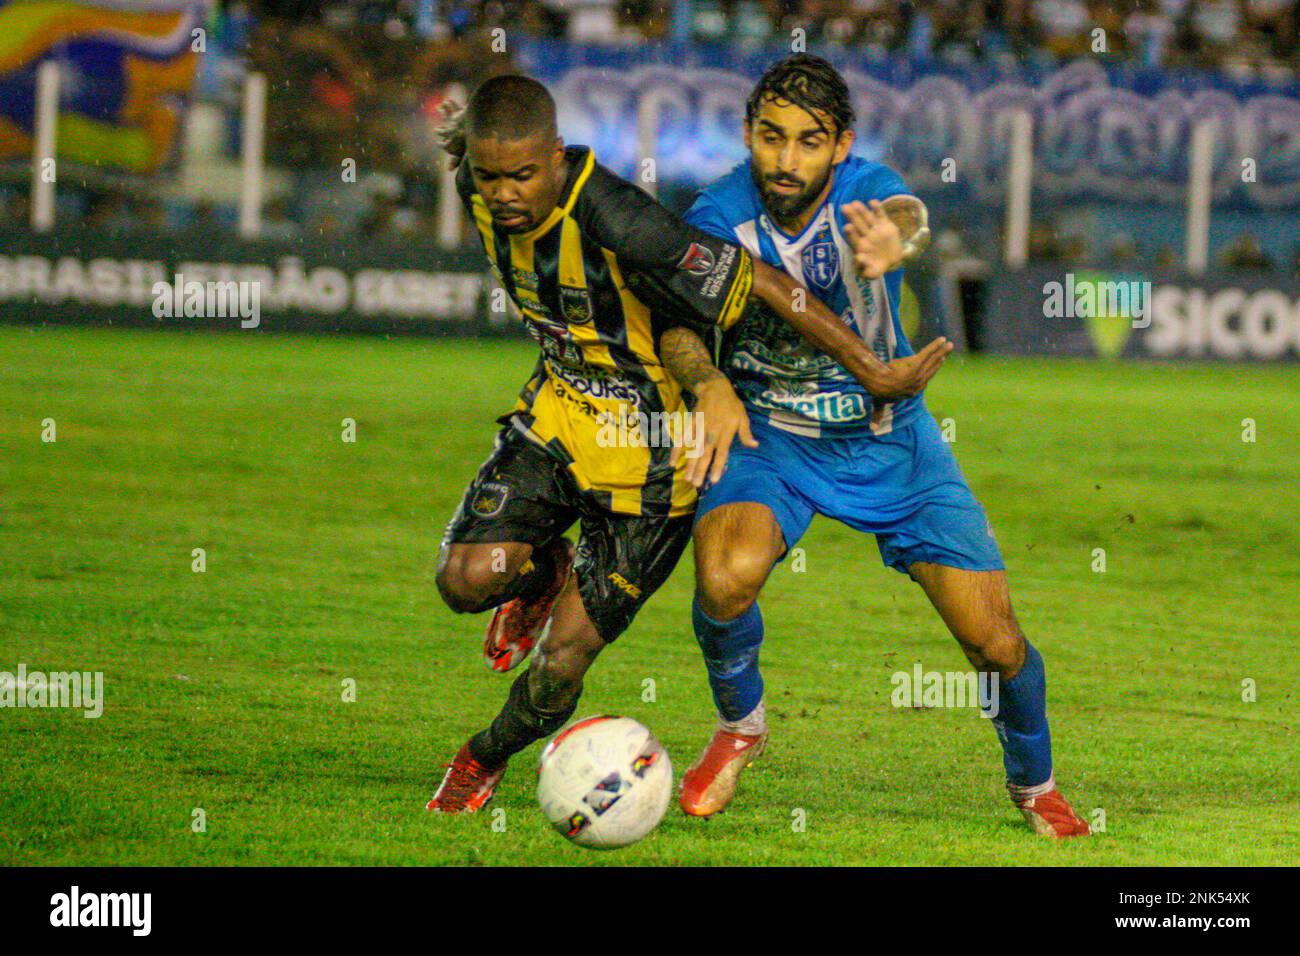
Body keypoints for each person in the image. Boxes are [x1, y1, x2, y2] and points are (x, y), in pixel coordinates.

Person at [426, 73, 951, 812]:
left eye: (521, 175)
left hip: (658, 461)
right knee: (465, 581)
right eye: (489, 174)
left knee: (560, 665)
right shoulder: (475, 183)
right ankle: (541, 569)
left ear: (555, 157)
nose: (505, 193)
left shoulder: (630, 224)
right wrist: (461, 137)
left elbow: (766, 283)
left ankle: (484, 756)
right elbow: (472, 149)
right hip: (561, 421)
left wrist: (871, 369)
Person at [674, 54, 1090, 838]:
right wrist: (707, 381)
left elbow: (905, 212)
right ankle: (742, 725)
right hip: (773, 439)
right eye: (770, 138)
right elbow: (681, 314)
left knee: (993, 644)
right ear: (747, 136)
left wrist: (893, 245)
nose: (786, 159)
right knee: (725, 576)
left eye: (808, 140)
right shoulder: (713, 214)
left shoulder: (865, 187)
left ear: (841, 145)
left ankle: (1035, 783)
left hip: (890, 442)